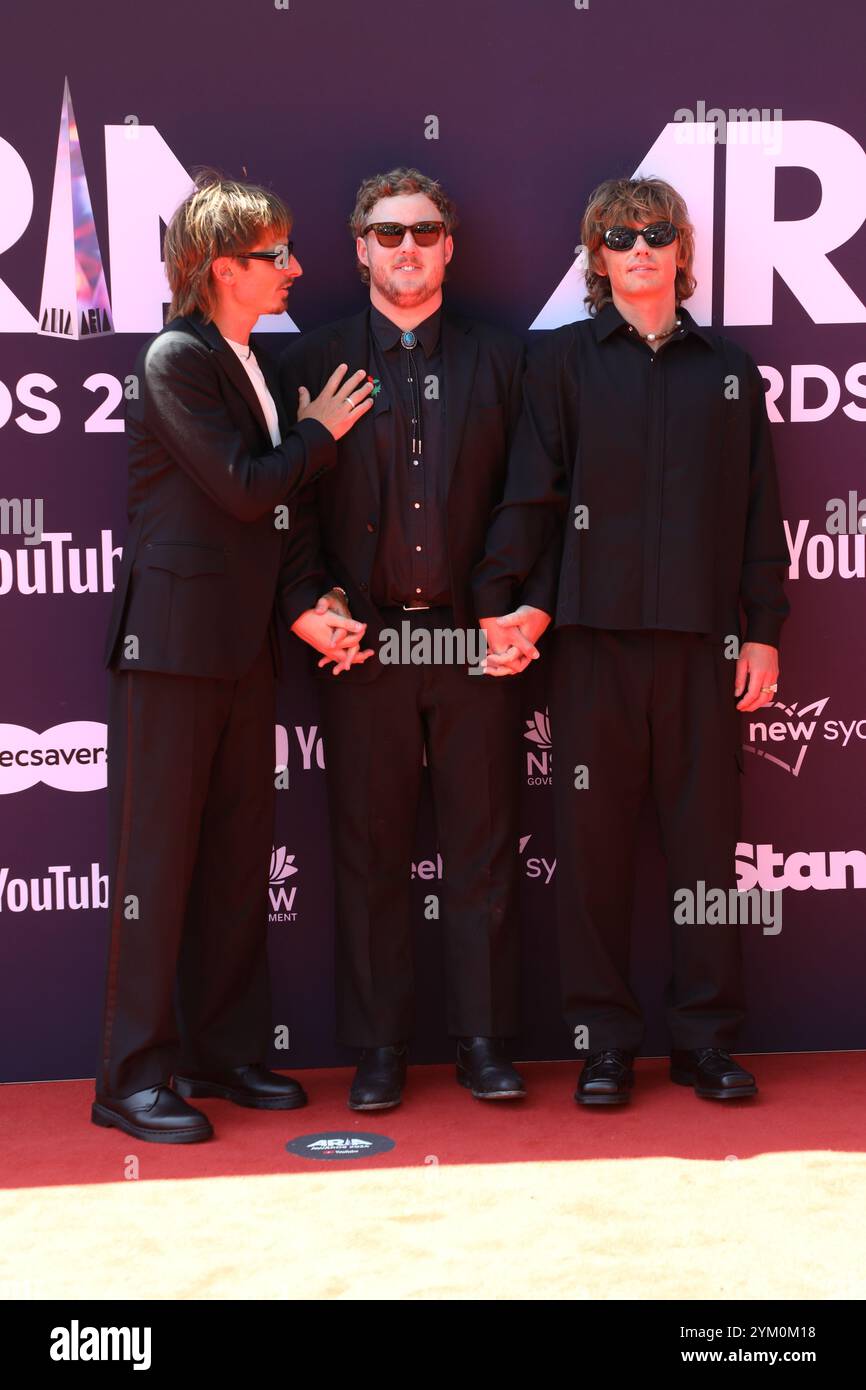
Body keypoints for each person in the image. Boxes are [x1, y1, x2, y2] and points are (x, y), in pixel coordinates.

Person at [473, 176, 790, 1105]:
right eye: (619, 235)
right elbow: (531, 492)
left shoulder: (731, 371)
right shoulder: (562, 362)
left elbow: (759, 515)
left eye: (656, 233)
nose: (640, 247)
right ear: (597, 256)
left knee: (707, 853)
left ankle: (705, 1040)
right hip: (592, 645)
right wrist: (510, 602)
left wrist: (763, 633)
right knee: (594, 851)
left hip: (702, 648)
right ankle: (603, 1041)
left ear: (682, 251)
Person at [92, 173, 373, 1143]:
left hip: (246, 651)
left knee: (232, 863)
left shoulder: (250, 360)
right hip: (170, 651)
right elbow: (246, 489)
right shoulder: (176, 358)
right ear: (222, 269)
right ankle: (129, 1077)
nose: (294, 269)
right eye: (275, 256)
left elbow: (273, 519)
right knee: (156, 866)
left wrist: (307, 602)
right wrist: (319, 434)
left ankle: (222, 1052)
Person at [280, 167, 553, 1110]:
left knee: (483, 849)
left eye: (425, 232)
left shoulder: (506, 361)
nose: (407, 248)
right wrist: (305, 598)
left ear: (450, 246)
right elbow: (284, 506)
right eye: (388, 233)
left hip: (474, 643)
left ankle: (483, 1041)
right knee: (368, 851)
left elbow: (534, 497)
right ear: (359, 247)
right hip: (366, 645)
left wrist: (517, 605)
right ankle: (381, 1049)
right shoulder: (309, 362)